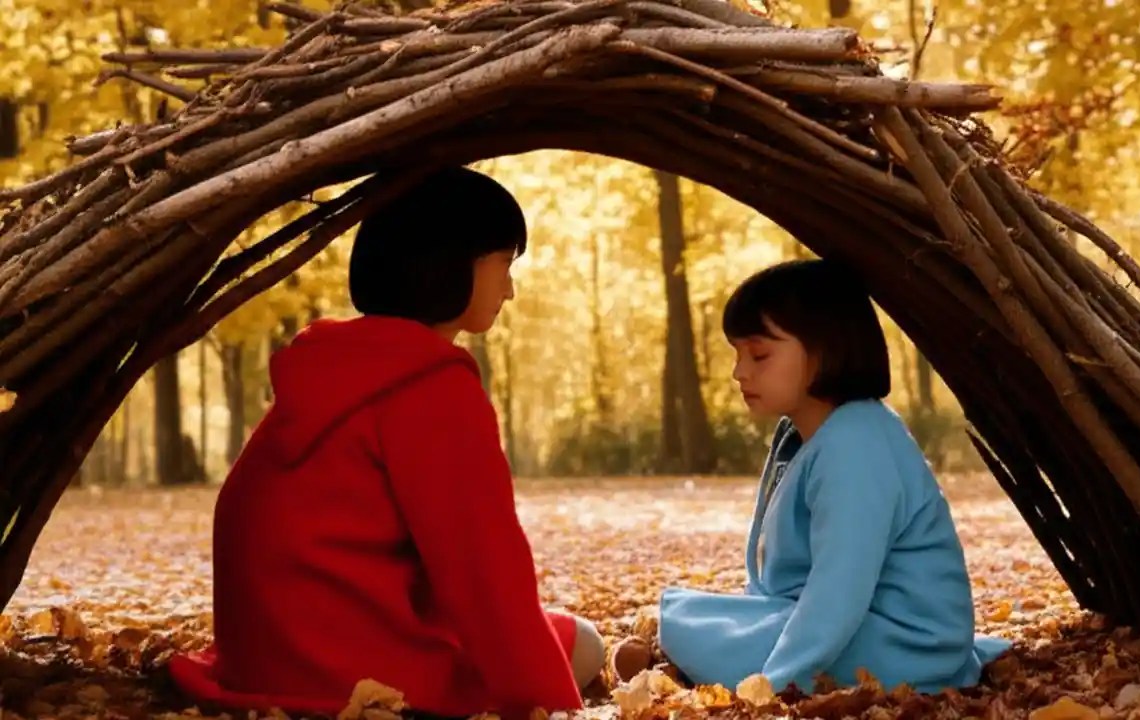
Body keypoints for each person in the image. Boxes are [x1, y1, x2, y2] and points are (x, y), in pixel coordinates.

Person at [168, 166, 605, 718]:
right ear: (454, 262)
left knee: (557, 634)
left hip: (267, 660)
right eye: (503, 265)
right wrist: (548, 704)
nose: (511, 290)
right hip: (359, 674)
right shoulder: (432, 387)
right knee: (585, 643)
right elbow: (484, 576)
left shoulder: (327, 370)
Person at [609, 258, 1010, 695]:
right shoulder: (805, 433)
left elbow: (839, 592)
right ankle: (687, 656)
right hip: (857, 621)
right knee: (699, 613)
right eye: (738, 354)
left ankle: (685, 663)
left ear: (826, 349)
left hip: (906, 643)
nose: (740, 372)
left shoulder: (857, 442)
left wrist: (774, 687)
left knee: (716, 628)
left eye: (759, 354)